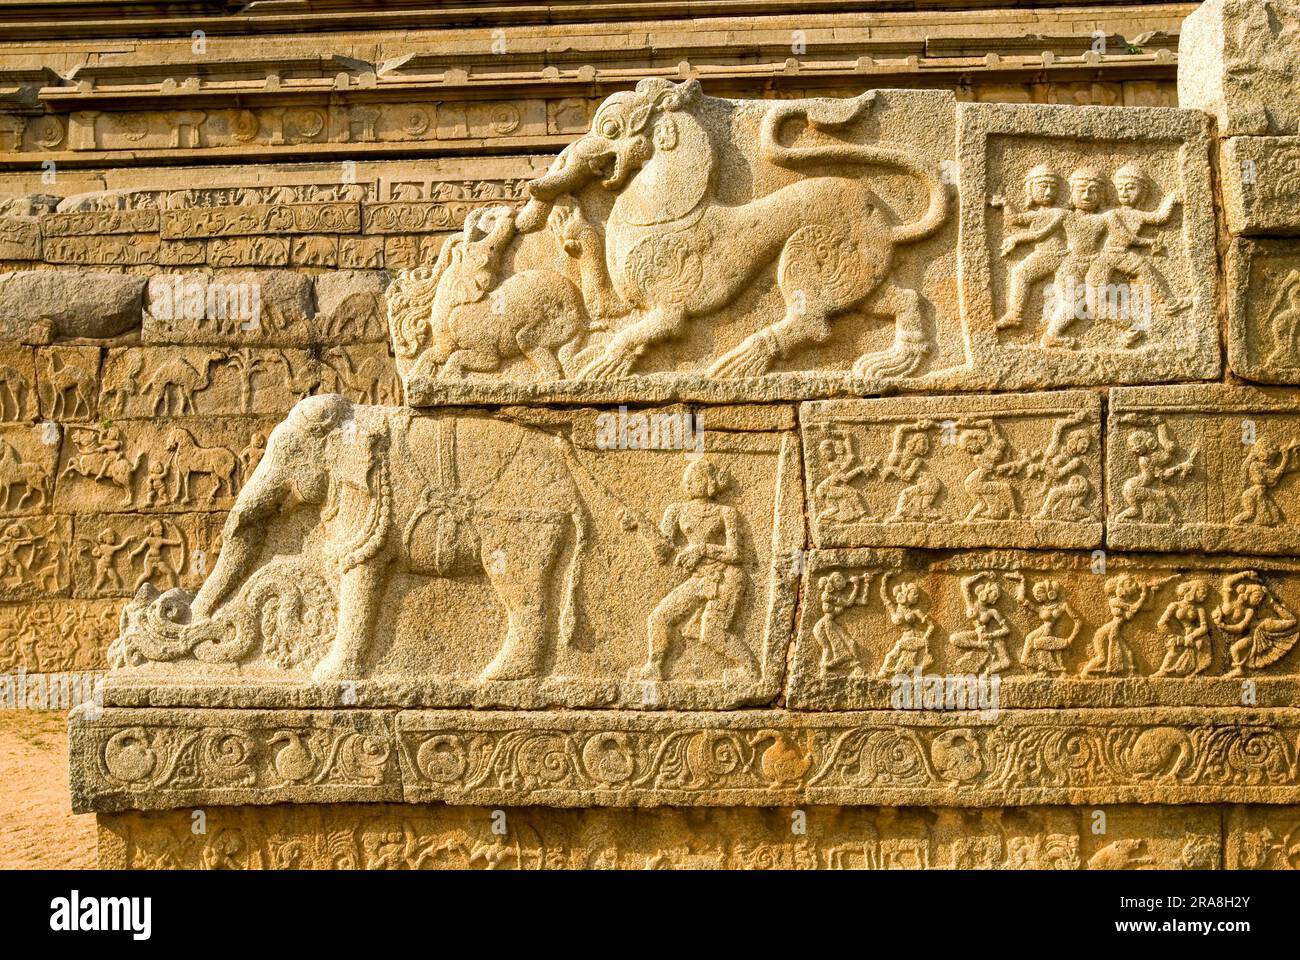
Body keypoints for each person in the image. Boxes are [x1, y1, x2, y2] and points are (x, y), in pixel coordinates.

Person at [642, 461, 753, 681]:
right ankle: (654, 667)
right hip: (700, 578)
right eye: (687, 478)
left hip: (726, 577)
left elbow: (736, 554)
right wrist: (641, 528)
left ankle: (749, 669)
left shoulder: (725, 512)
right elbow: (662, 554)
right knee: (659, 617)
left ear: (710, 482)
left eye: (696, 477)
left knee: (712, 633)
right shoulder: (676, 511)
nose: (689, 482)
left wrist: (701, 550)